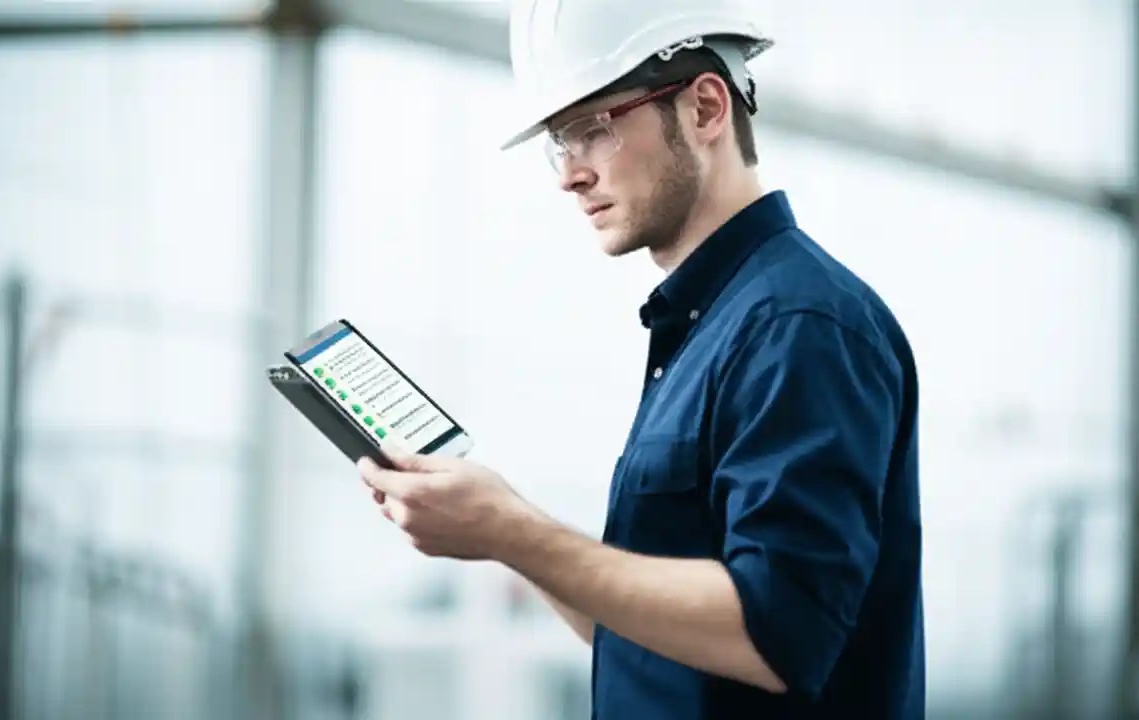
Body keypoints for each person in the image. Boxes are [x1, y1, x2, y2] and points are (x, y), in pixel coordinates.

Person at [358, 1, 925, 717]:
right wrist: (503, 536)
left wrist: (511, 529)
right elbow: (649, 641)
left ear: (706, 107)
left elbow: (779, 631)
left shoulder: (800, 325)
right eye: (560, 143)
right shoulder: (708, 330)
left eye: (592, 129)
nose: (570, 174)